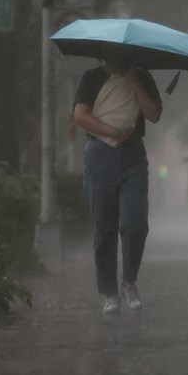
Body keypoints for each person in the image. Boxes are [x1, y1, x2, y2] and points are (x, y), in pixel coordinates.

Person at [72, 54, 162, 315]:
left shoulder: (142, 76)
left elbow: (154, 114)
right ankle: (109, 292)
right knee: (103, 227)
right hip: (99, 154)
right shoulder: (91, 78)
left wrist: (134, 82)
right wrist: (113, 133)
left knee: (135, 224)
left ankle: (129, 281)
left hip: (133, 156)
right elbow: (80, 115)